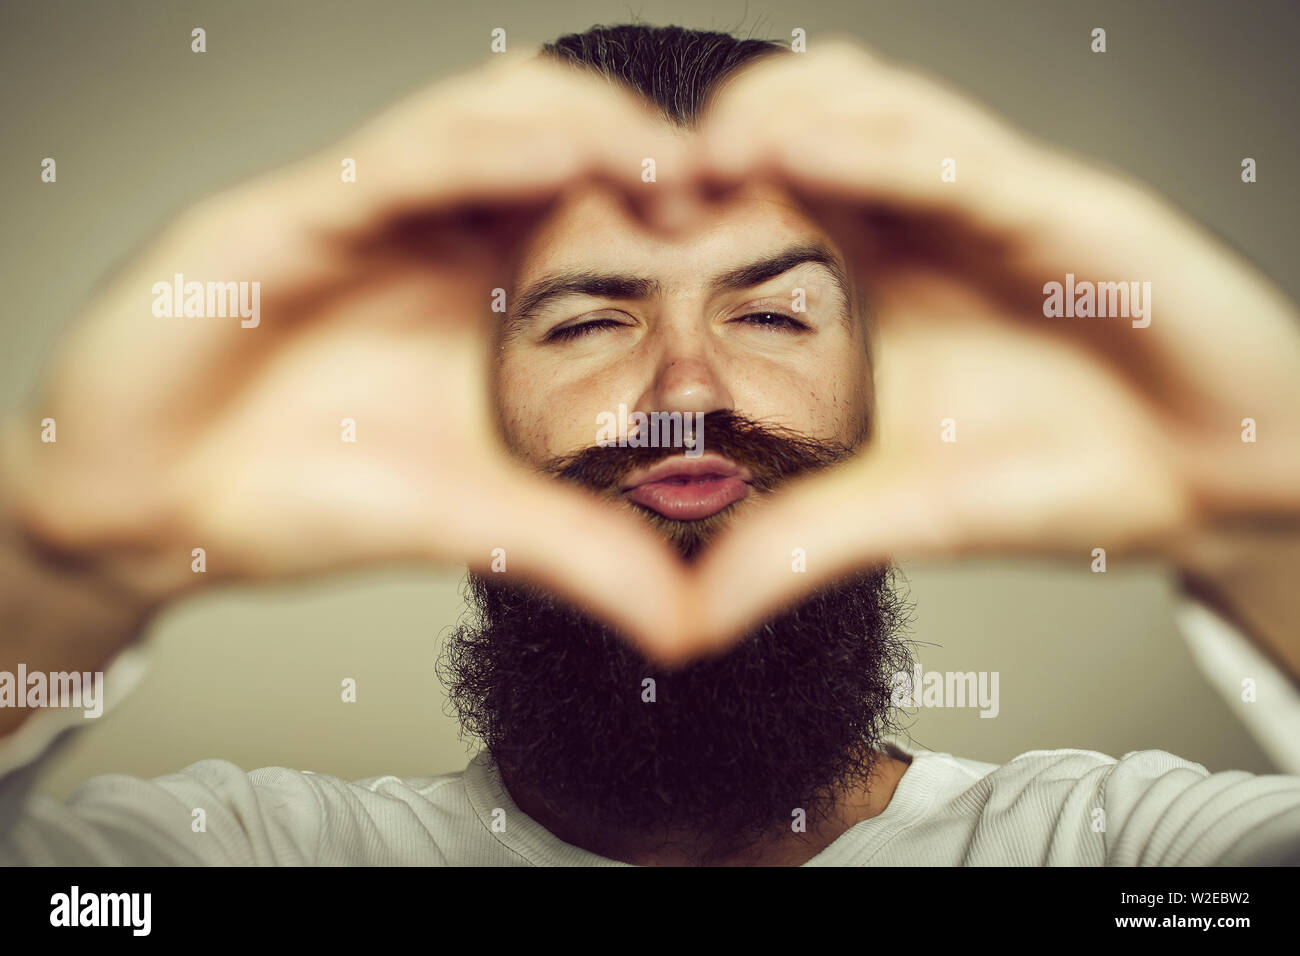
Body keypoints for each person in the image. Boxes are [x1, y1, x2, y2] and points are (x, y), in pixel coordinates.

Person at [2, 24, 1298, 867]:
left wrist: (1273, 534)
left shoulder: (1139, 860)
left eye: (776, 310)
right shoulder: (240, 858)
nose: (686, 388)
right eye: (586, 318)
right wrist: (58, 585)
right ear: (476, 409)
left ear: (875, 391)